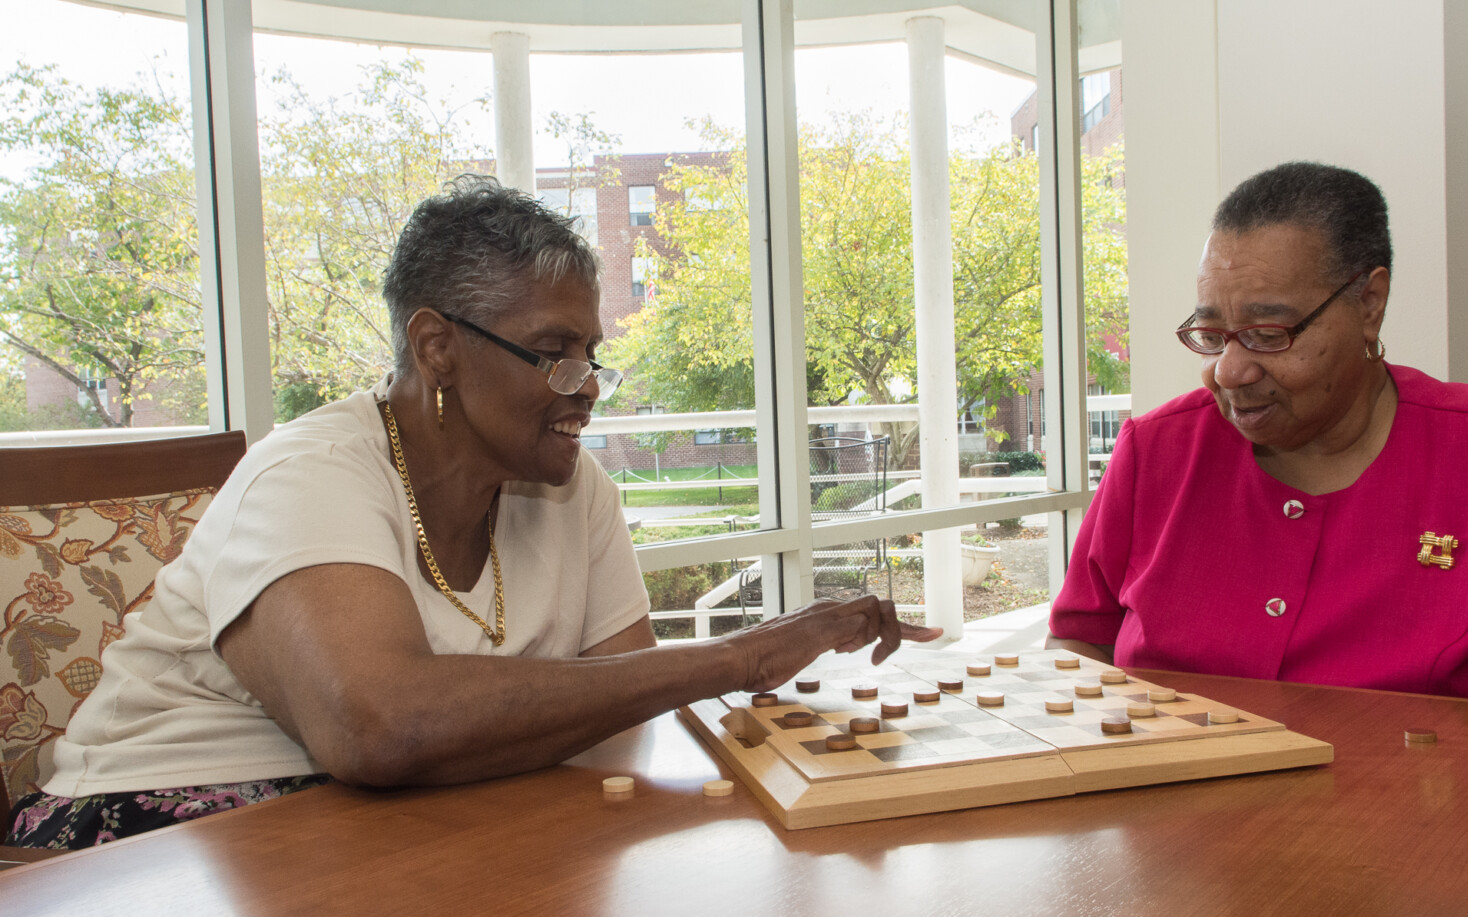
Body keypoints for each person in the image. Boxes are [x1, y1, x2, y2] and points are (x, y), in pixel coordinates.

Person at [7, 175, 939, 849]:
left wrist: (716, 679)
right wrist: (738, 657)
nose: (587, 390)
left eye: (592, 354)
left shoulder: (575, 489)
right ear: (437, 347)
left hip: (403, 823)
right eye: (553, 353)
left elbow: (617, 712)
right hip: (153, 841)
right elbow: (379, 728)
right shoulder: (311, 470)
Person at [1047, 161, 1468, 699]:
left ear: (1369, 304)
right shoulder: (1155, 451)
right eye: (1211, 334)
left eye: (1267, 333)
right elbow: (1078, 641)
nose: (1229, 372)